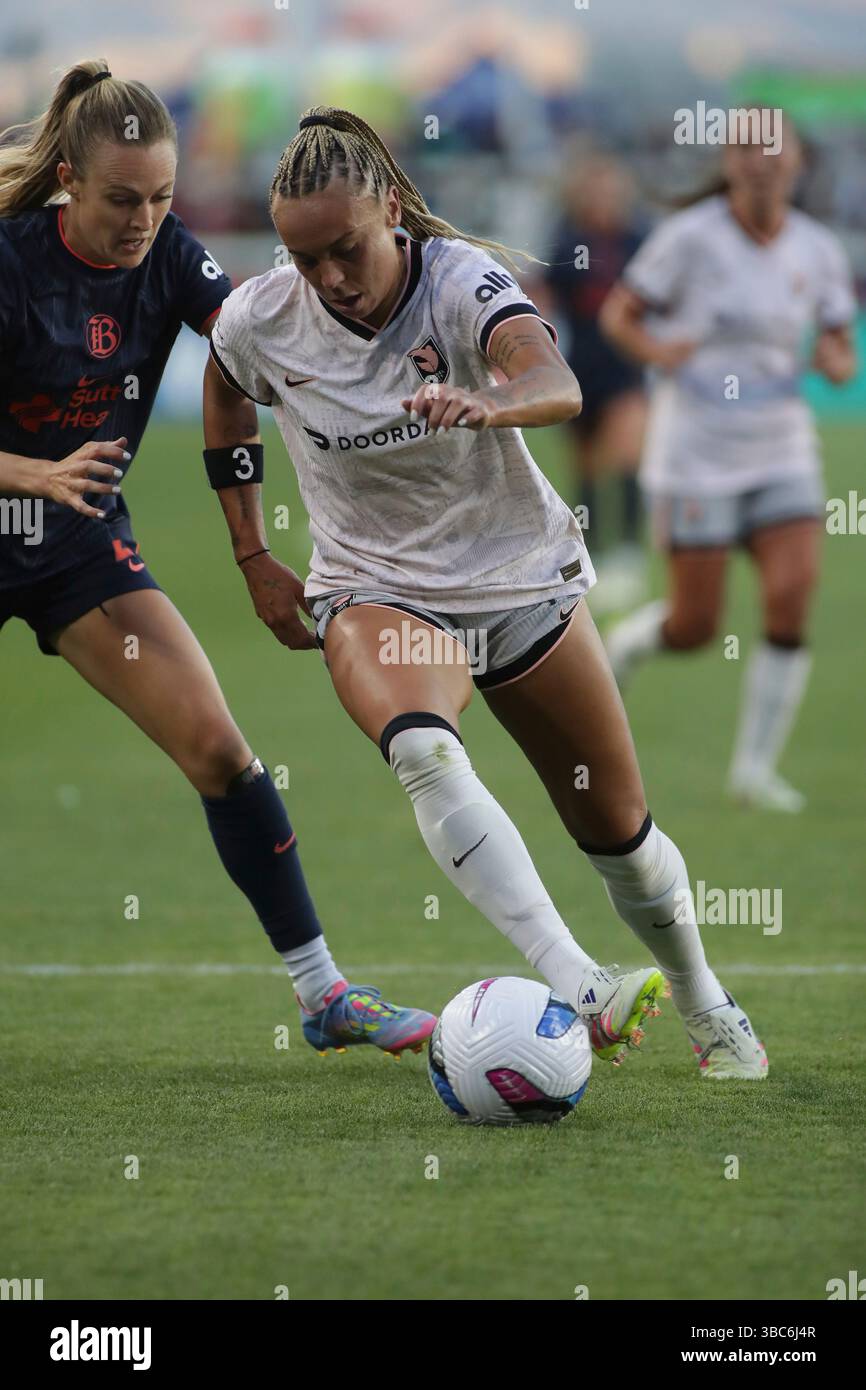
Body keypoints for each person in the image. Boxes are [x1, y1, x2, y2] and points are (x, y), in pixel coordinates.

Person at [204, 105, 769, 1079]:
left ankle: (701, 995)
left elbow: (553, 378)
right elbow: (224, 383)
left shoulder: (459, 281)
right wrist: (254, 554)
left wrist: (489, 399)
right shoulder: (262, 317)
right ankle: (577, 978)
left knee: (619, 836)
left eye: (344, 249)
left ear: (386, 205)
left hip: (515, 577)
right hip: (374, 586)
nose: (330, 277)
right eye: (306, 260)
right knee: (422, 749)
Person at [0, 62, 434, 1057]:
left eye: (161, 196)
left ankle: (323, 995)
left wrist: (386, 365)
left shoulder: (170, 258)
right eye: (121, 199)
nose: (144, 219)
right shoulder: (10, 263)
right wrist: (31, 472)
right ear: (67, 179)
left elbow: (254, 350)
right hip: (33, 500)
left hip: (74, 548)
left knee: (221, 752)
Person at [600, 113, 858, 811]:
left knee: (792, 594)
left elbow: (837, 342)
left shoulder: (819, 249)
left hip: (781, 449)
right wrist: (660, 354)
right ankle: (625, 644)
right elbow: (620, 316)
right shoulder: (689, 240)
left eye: (776, 148)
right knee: (694, 627)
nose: (762, 161)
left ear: (799, 161)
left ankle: (754, 770)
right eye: (747, 148)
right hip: (697, 457)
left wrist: (836, 360)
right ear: (729, 160)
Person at [538, 154, 648, 611]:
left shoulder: (638, 241)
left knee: (626, 455)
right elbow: (542, 296)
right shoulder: (567, 241)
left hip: (626, 368)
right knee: (585, 468)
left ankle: (629, 554)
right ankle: (594, 553)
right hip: (581, 370)